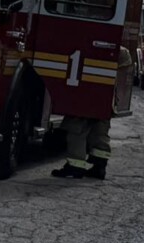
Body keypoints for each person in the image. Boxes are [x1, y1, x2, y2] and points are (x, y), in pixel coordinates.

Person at [52, 46, 132, 180]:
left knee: (77, 127)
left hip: (85, 92)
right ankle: (99, 166)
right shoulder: (114, 44)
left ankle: (75, 166)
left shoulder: (84, 40)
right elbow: (126, 59)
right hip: (105, 95)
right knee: (100, 130)